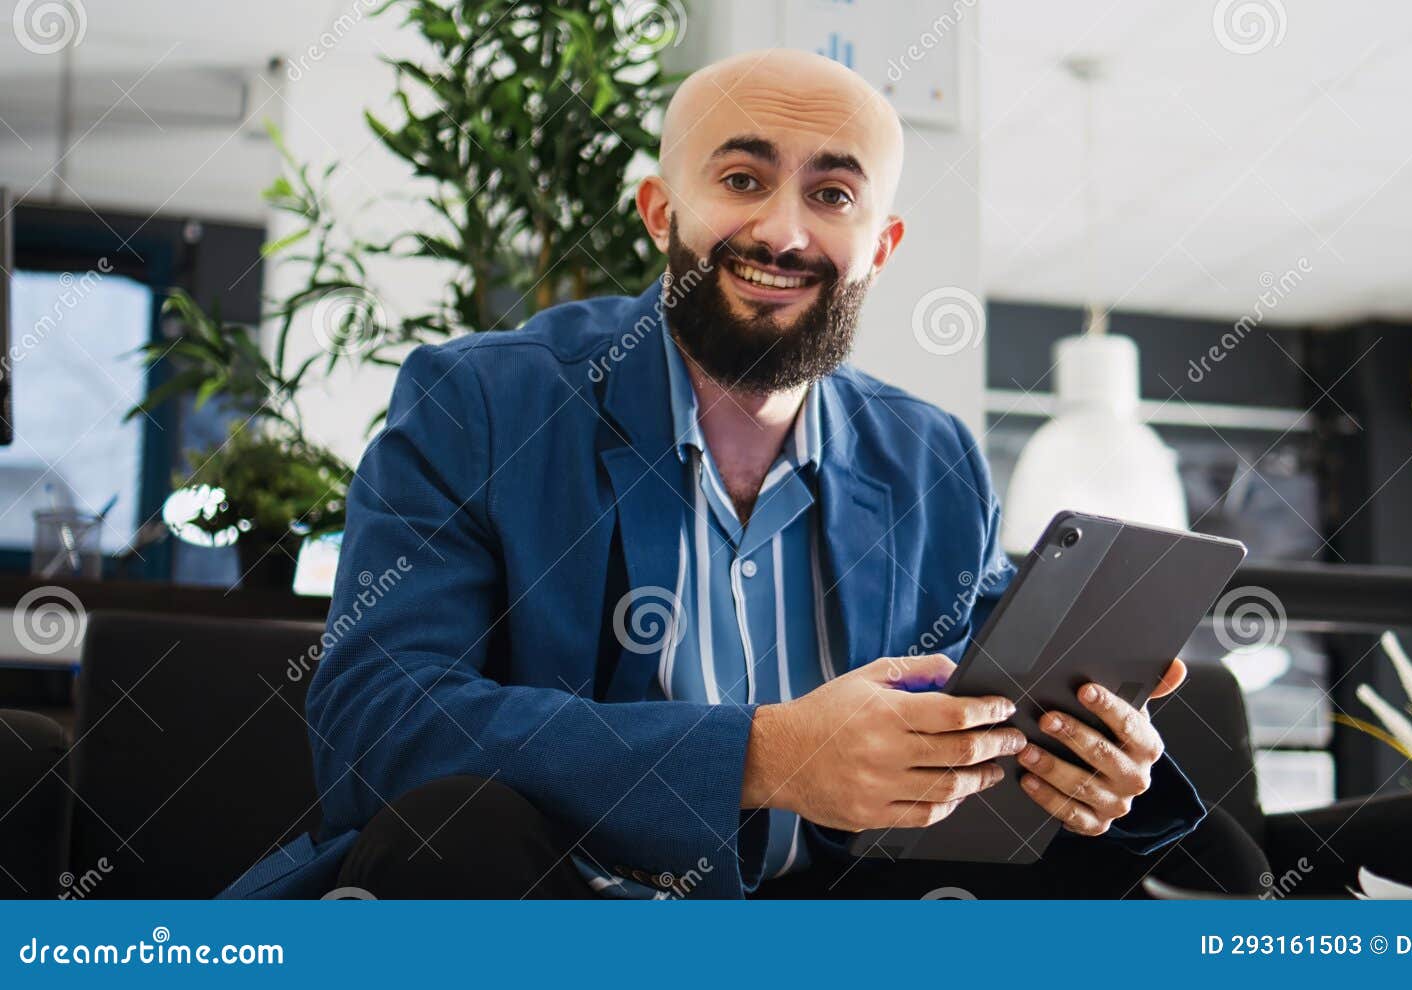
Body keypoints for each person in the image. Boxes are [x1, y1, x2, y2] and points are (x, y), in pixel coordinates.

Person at [221, 48, 1268, 900]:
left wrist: (1085, 760)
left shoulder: (929, 460)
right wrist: (765, 757)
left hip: (821, 921)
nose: (782, 229)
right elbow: (380, 722)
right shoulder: (482, 405)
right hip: (556, 903)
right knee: (460, 827)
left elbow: (983, 694)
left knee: (1191, 858)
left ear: (881, 244)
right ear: (657, 212)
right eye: (741, 178)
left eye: (832, 193)